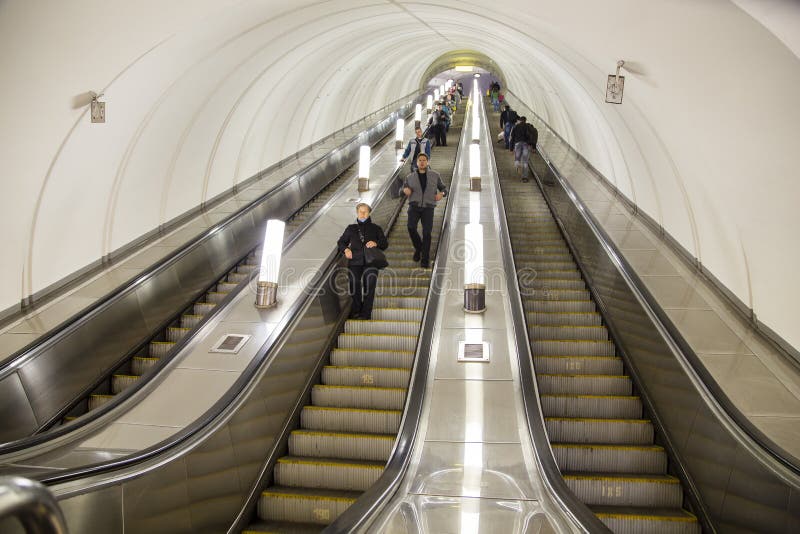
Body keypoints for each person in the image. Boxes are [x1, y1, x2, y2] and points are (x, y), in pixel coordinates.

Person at [337, 203, 388, 320]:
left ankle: (366, 313)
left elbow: (384, 244)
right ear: (357, 213)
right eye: (361, 211)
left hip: (371, 262)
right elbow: (341, 242)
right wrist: (346, 249)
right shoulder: (351, 228)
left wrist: (376, 243)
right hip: (355, 262)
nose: (363, 213)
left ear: (369, 213)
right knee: (354, 284)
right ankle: (356, 310)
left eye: (365, 211)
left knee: (369, 285)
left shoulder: (376, 228)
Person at [402, 154, 447, 268]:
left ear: (427, 162)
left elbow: (444, 188)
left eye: (424, 160)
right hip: (414, 206)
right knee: (411, 227)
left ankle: (425, 259)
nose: (422, 162)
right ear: (417, 162)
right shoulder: (410, 177)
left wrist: (441, 194)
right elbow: (401, 190)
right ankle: (419, 248)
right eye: (420, 160)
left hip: (428, 207)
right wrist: (404, 190)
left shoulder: (435, 175)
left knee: (427, 233)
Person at [509, 116, 539, 183]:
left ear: (520, 120)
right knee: (525, 161)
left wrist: (511, 149)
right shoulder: (528, 127)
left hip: (517, 144)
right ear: (525, 120)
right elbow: (533, 136)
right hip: (526, 145)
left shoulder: (515, 127)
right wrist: (534, 147)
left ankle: (518, 165)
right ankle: (524, 177)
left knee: (517, 158)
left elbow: (512, 138)